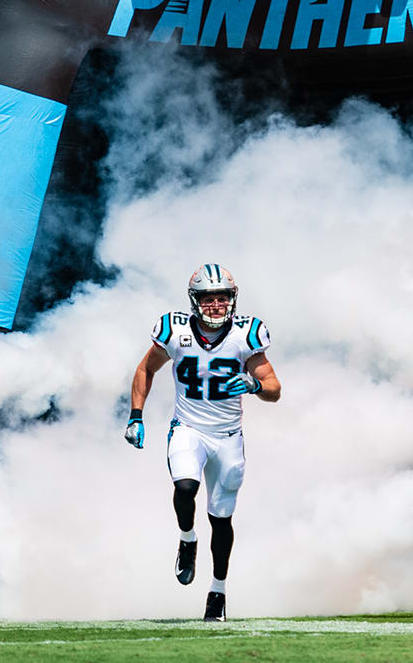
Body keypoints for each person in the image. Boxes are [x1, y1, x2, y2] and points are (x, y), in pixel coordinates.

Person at [125, 264, 281, 622]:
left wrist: (255, 386)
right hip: (189, 428)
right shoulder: (174, 331)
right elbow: (145, 369)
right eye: (208, 299)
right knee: (184, 487)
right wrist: (136, 415)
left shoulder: (246, 335)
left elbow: (274, 388)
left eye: (222, 298)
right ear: (195, 301)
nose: (215, 306)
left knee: (222, 519)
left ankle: (217, 593)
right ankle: (187, 538)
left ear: (233, 299)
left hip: (228, 438)